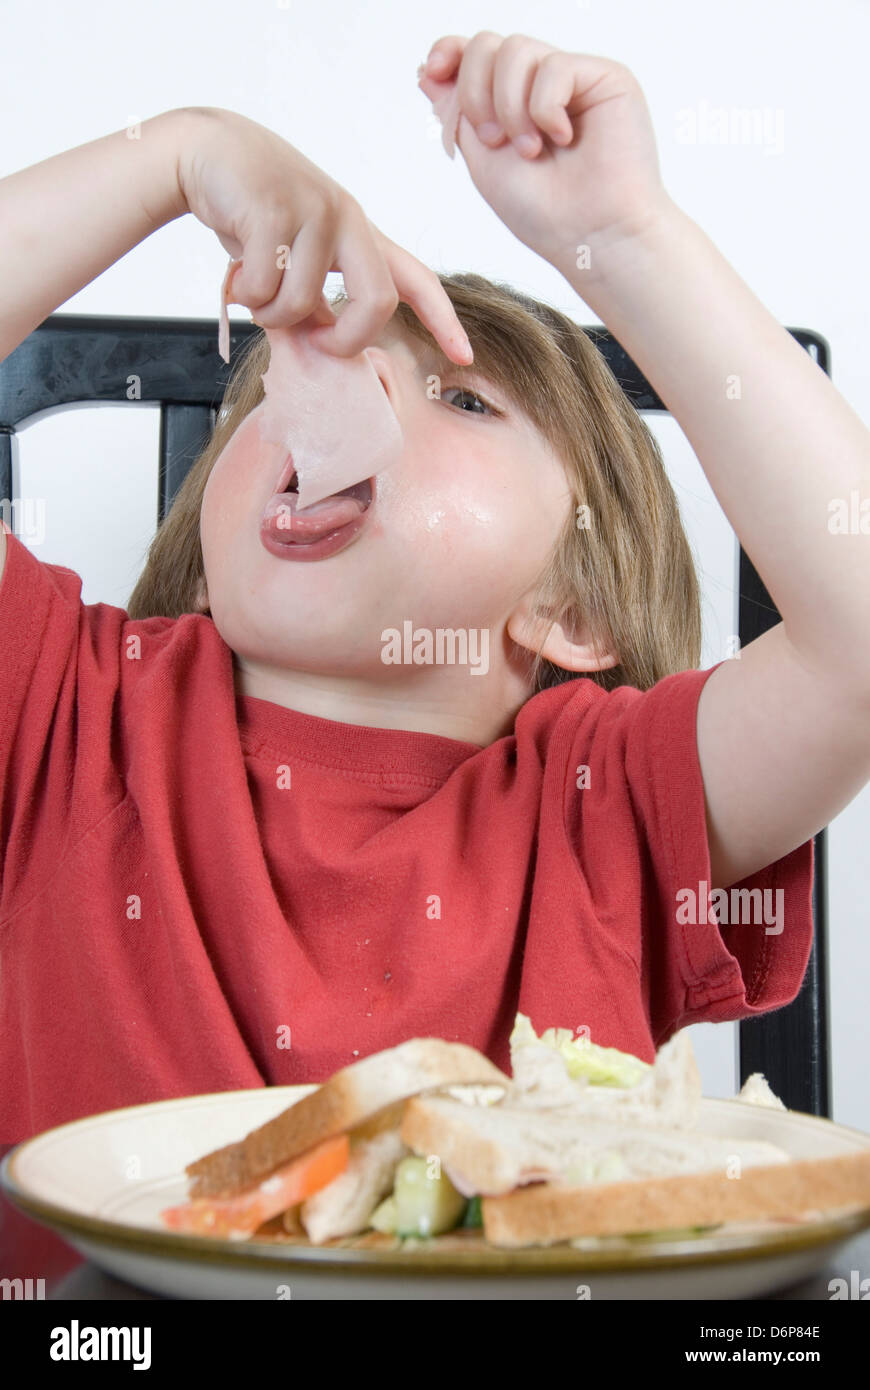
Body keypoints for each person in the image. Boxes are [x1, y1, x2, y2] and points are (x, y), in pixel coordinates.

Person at [2, 32, 867, 1147]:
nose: (338, 383)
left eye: (461, 401)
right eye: (286, 375)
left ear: (578, 608)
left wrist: (620, 235)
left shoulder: (608, 807)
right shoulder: (66, 707)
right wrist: (180, 154)